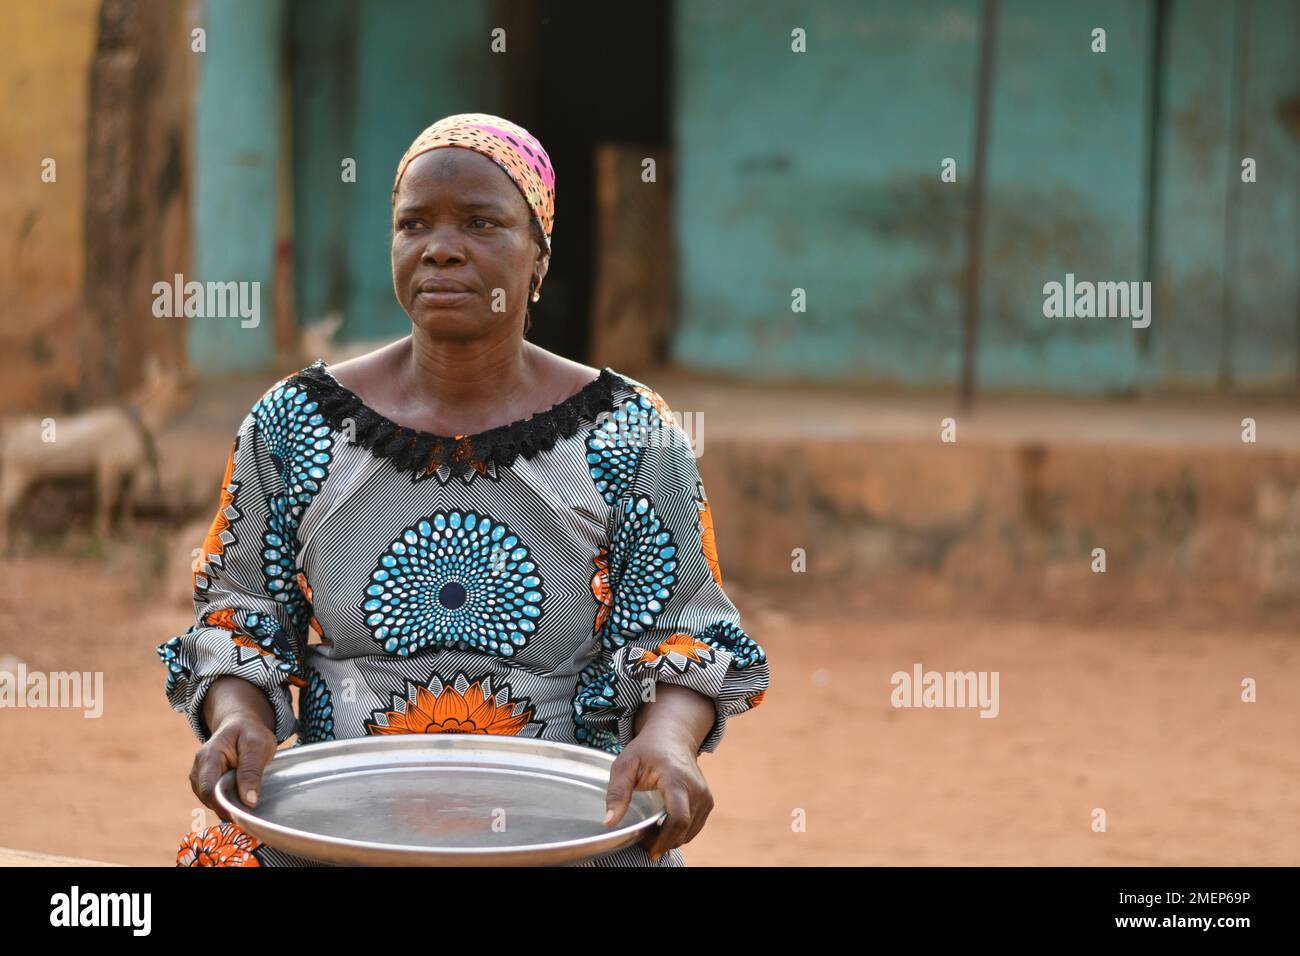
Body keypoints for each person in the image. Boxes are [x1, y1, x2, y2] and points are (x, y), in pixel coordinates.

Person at [158, 113, 770, 867]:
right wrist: (237, 718)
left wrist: (669, 743)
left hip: (569, 818)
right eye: (413, 223)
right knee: (218, 853)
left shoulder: (628, 433)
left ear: (539, 257)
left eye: (481, 223)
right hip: (340, 811)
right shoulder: (295, 425)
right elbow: (238, 617)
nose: (440, 247)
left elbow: (683, 633)